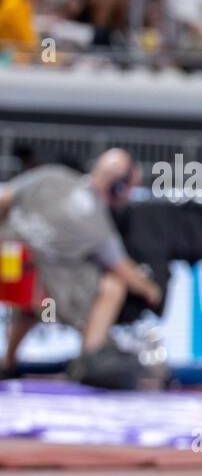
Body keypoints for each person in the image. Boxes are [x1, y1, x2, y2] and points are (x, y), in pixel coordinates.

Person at [0, 149, 162, 375]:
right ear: (118, 186)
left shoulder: (52, 176)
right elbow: (122, 268)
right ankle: (91, 358)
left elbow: (5, 197)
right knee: (113, 285)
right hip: (44, 292)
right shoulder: (96, 220)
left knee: (31, 298)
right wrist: (151, 290)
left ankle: (7, 363)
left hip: (10, 272)